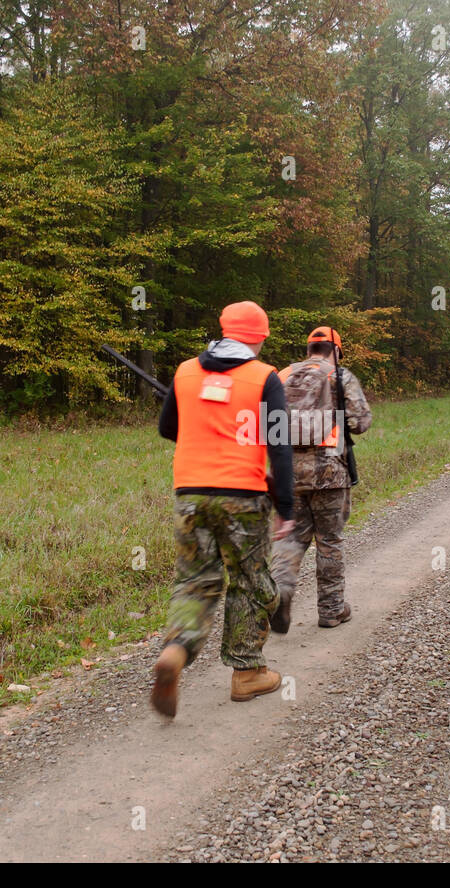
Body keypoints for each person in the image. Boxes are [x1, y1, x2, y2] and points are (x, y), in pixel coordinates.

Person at [149, 301, 296, 718]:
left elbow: (167, 428)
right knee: (249, 580)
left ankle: (176, 651)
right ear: (259, 337)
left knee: (195, 581)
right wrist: (284, 505)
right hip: (243, 496)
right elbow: (280, 447)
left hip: (190, 494)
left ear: (223, 330)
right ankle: (247, 672)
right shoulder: (264, 377)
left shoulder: (184, 372)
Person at [269, 326, 372, 632]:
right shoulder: (339, 376)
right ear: (336, 350)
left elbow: (267, 424)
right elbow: (360, 422)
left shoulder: (281, 375)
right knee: (329, 541)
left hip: (286, 472)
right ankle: (331, 610)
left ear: (308, 350)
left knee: (290, 538)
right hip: (329, 472)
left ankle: (281, 592)